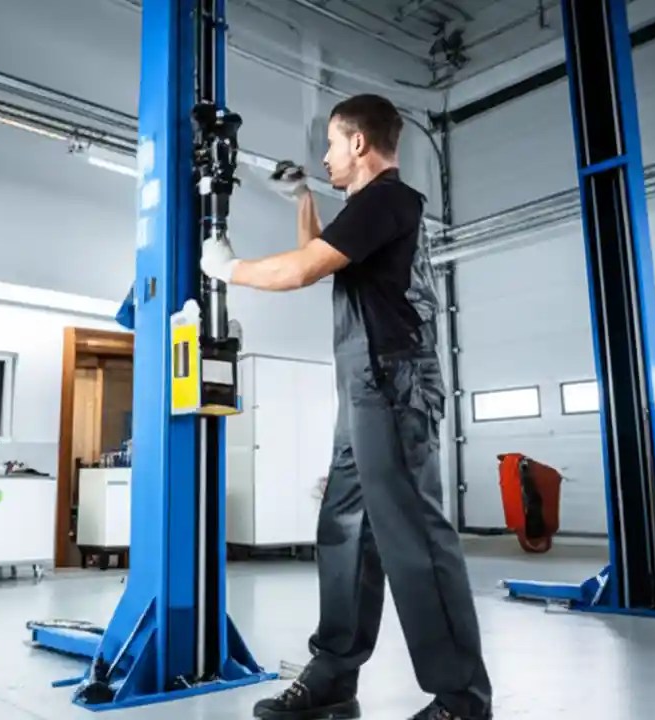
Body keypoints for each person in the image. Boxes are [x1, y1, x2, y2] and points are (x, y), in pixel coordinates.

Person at [199, 94, 492, 720]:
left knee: (412, 536)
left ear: (359, 143)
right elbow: (323, 255)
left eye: (331, 144)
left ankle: (462, 700)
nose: (327, 155)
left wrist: (231, 269)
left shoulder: (387, 198)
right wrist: (303, 198)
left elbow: (304, 268)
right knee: (344, 530)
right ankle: (334, 673)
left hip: (393, 382)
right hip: (365, 385)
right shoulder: (366, 212)